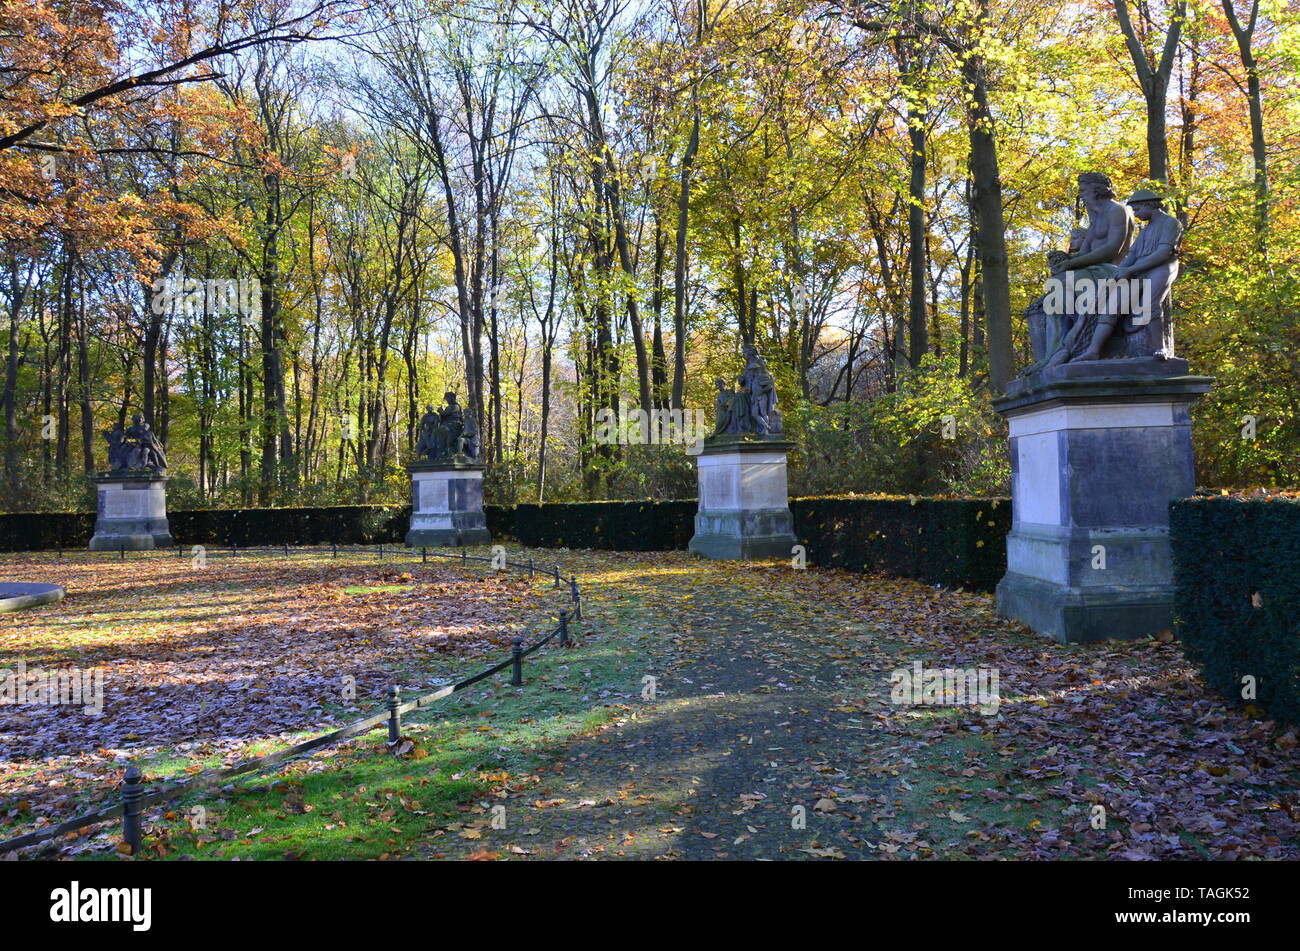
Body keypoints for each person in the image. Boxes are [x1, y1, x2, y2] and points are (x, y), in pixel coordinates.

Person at [1075, 188, 1182, 361]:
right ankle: (1094, 350)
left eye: (1138, 210)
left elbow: (1163, 253)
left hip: (1162, 267)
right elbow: (1132, 255)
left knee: (1150, 303)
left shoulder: (1170, 223)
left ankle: (1160, 348)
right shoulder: (1146, 230)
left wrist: (1130, 270)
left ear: (1149, 205)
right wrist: (1118, 272)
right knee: (1112, 305)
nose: (1137, 214)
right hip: (1139, 269)